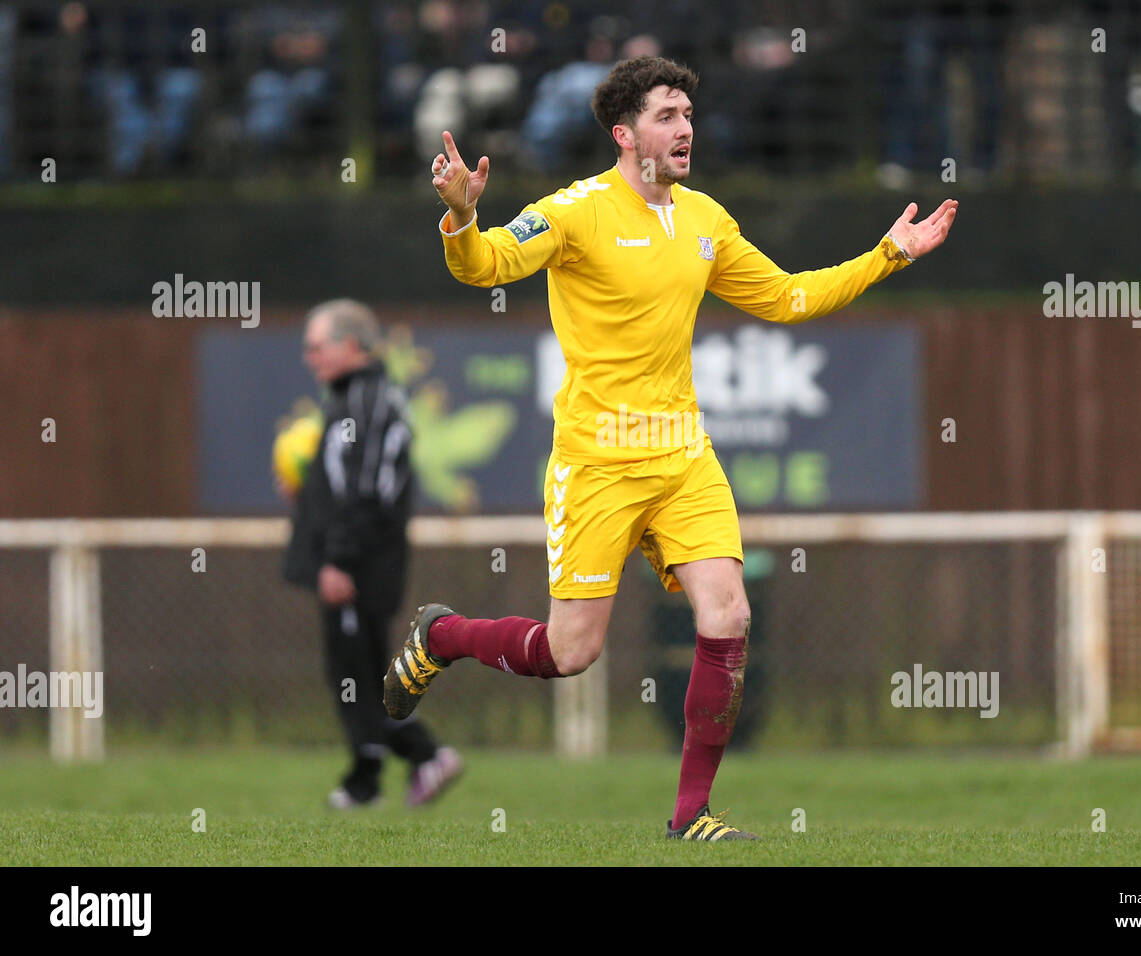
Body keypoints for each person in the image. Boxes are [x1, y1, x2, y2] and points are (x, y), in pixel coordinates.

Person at [385, 56, 956, 840]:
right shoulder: (572, 211)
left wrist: (888, 253)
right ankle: (442, 637)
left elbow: (787, 298)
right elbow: (488, 265)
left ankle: (691, 816)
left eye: (688, 113)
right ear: (624, 134)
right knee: (570, 652)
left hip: (683, 456)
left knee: (729, 613)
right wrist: (460, 218)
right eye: (666, 114)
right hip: (596, 462)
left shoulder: (706, 220)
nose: (685, 127)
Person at [283, 299, 461, 809]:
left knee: (357, 674)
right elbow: (344, 486)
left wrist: (337, 560)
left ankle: (421, 756)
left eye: (316, 346)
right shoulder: (352, 399)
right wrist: (304, 492)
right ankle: (370, 776)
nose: (309, 357)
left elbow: (364, 492)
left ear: (350, 345)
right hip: (356, 557)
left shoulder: (367, 403)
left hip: (360, 564)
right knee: (353, 671)